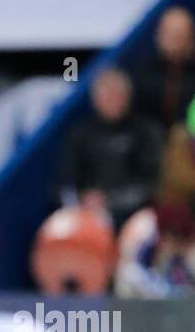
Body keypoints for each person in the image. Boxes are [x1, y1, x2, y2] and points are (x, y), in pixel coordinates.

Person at [58, 66, 163, 230]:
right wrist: (82, 199)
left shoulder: (145, 132)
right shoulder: (80, 134)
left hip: (134, 215)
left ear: (128, 98)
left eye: (118, 96)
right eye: (107, 97)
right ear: (96, 100)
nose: (114, 102)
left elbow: (150, 183)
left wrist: (110, 201)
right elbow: (65, 181)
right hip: (87, 214)